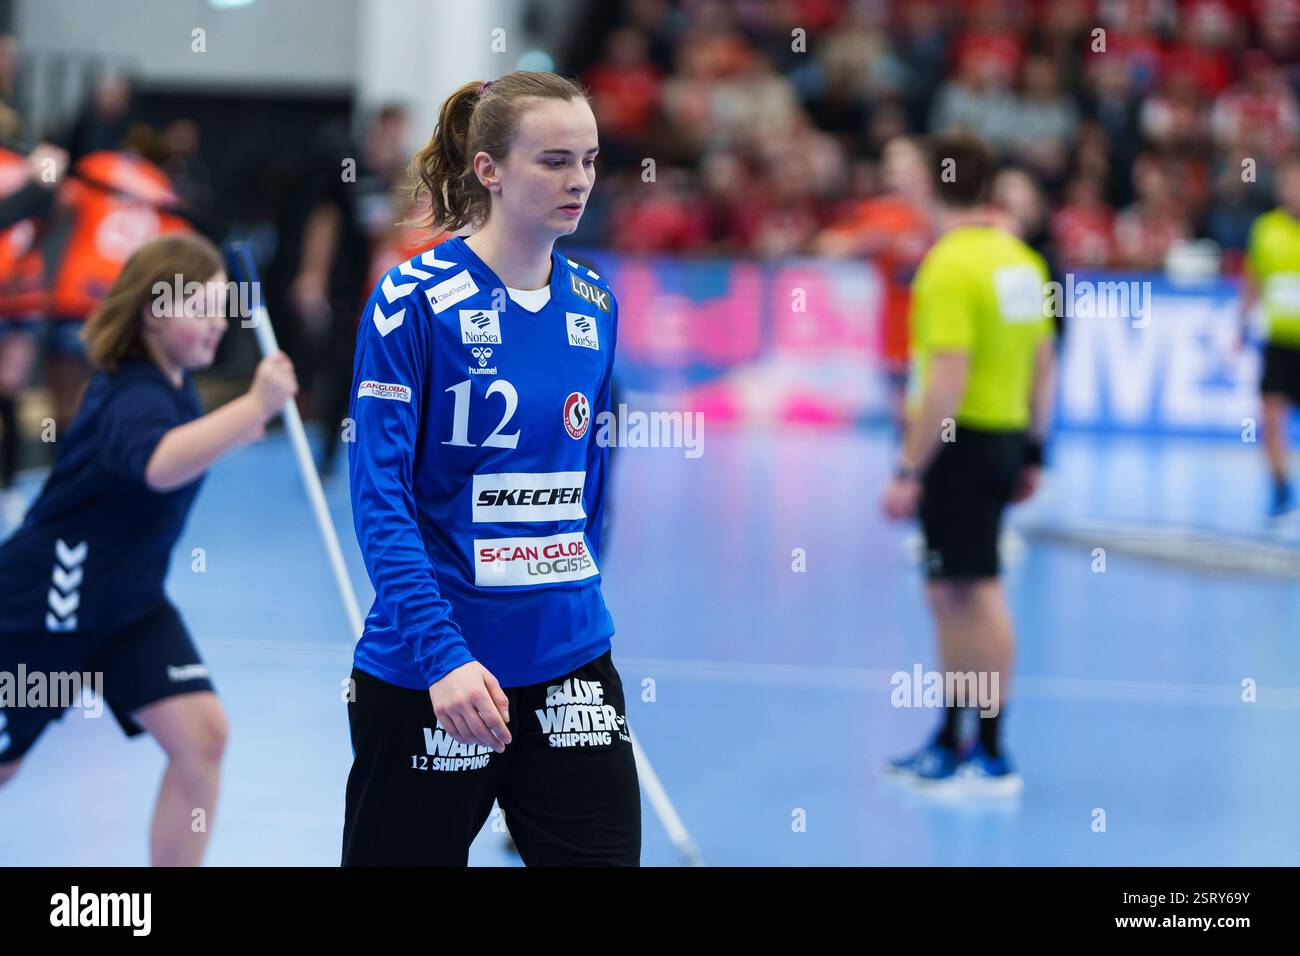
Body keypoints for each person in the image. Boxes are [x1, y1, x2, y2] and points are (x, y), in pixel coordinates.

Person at [341, 71, 640, 866]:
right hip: (432, 677)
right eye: (553, 160)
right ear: (489, 170)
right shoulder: (413, 301)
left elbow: (590, 484)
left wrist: (579, 598)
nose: (578, 179)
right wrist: (442, 656)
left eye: (590, 159)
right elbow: (379, 499)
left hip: (571, 664)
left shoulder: (596, 304)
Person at [0, 233, 298, 865]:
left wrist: (242, 426)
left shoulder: (173, 384)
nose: (218, 323)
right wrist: (252, 402)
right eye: (203, 308)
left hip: (127, 607)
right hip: (45, 611)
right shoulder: (132, 391)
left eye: (223, 308)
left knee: (202, 737)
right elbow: (160, 465)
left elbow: (180, 447)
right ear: (156, 310)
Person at [880, 134, 1055, 793]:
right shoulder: (1017, 259)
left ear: (933, 182)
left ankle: (987, 748)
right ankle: (956, 739)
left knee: (973, 592)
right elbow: (1043, 364)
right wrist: (1034, 449)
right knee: (951, 589)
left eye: (910, 173)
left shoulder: (949, 265)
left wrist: (908, 469)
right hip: (1002, 438)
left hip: (960, 445)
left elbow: (945, 378)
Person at [1240, 155, 1300, 518]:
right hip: (1278, 342)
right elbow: (1253, 278)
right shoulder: (1266, 229)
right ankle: (1280, 487)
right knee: (1270, 414)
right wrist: (1240, 325)